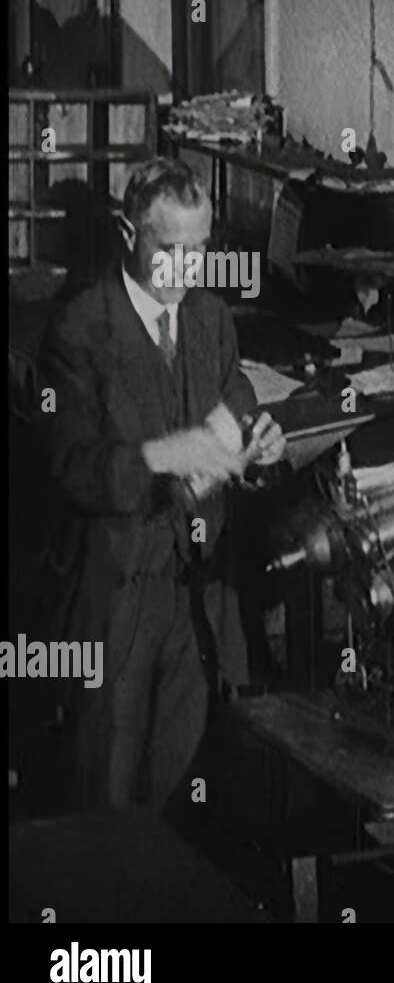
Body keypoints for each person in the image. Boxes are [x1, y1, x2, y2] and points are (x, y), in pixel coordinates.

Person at [38, 156, 284, 811]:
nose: (186, 267)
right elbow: (72, 468)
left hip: (200, 603)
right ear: (128, 234)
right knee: (110, 814)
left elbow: (239, 400)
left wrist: (260, 444)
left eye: (200, 249)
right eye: (169, 248)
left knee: (188, 812)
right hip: (119, 600)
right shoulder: (79, 331)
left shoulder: (211, 320)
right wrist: (168, 454)